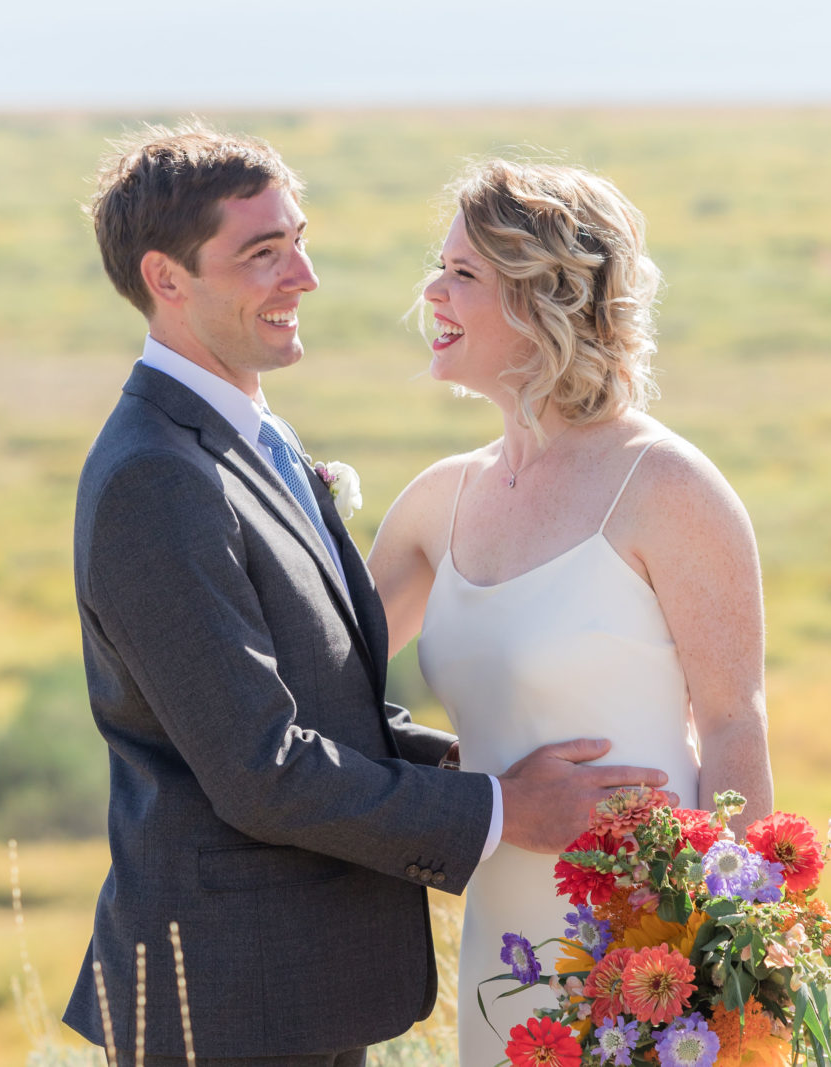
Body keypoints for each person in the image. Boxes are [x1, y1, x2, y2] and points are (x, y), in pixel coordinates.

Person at [63, 125, 677, 1067]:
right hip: (226, 1003)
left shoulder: (246, 438)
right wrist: (501, 809)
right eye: (262, 253)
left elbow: (319, 702)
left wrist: (468, 764)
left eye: (299, 240)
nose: (303, 276)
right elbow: (261, 767)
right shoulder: (158, 476)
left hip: (290, 992)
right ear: (166, 278)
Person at [367, 158, 774, 1062]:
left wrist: (736, 975)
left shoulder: (668, 486)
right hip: (502, 941)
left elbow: (733, 724)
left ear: (542, 299)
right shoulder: (436, 502)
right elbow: (323, 687)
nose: (432, 291)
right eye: (439, 266)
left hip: (647, 941)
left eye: (463, 273)